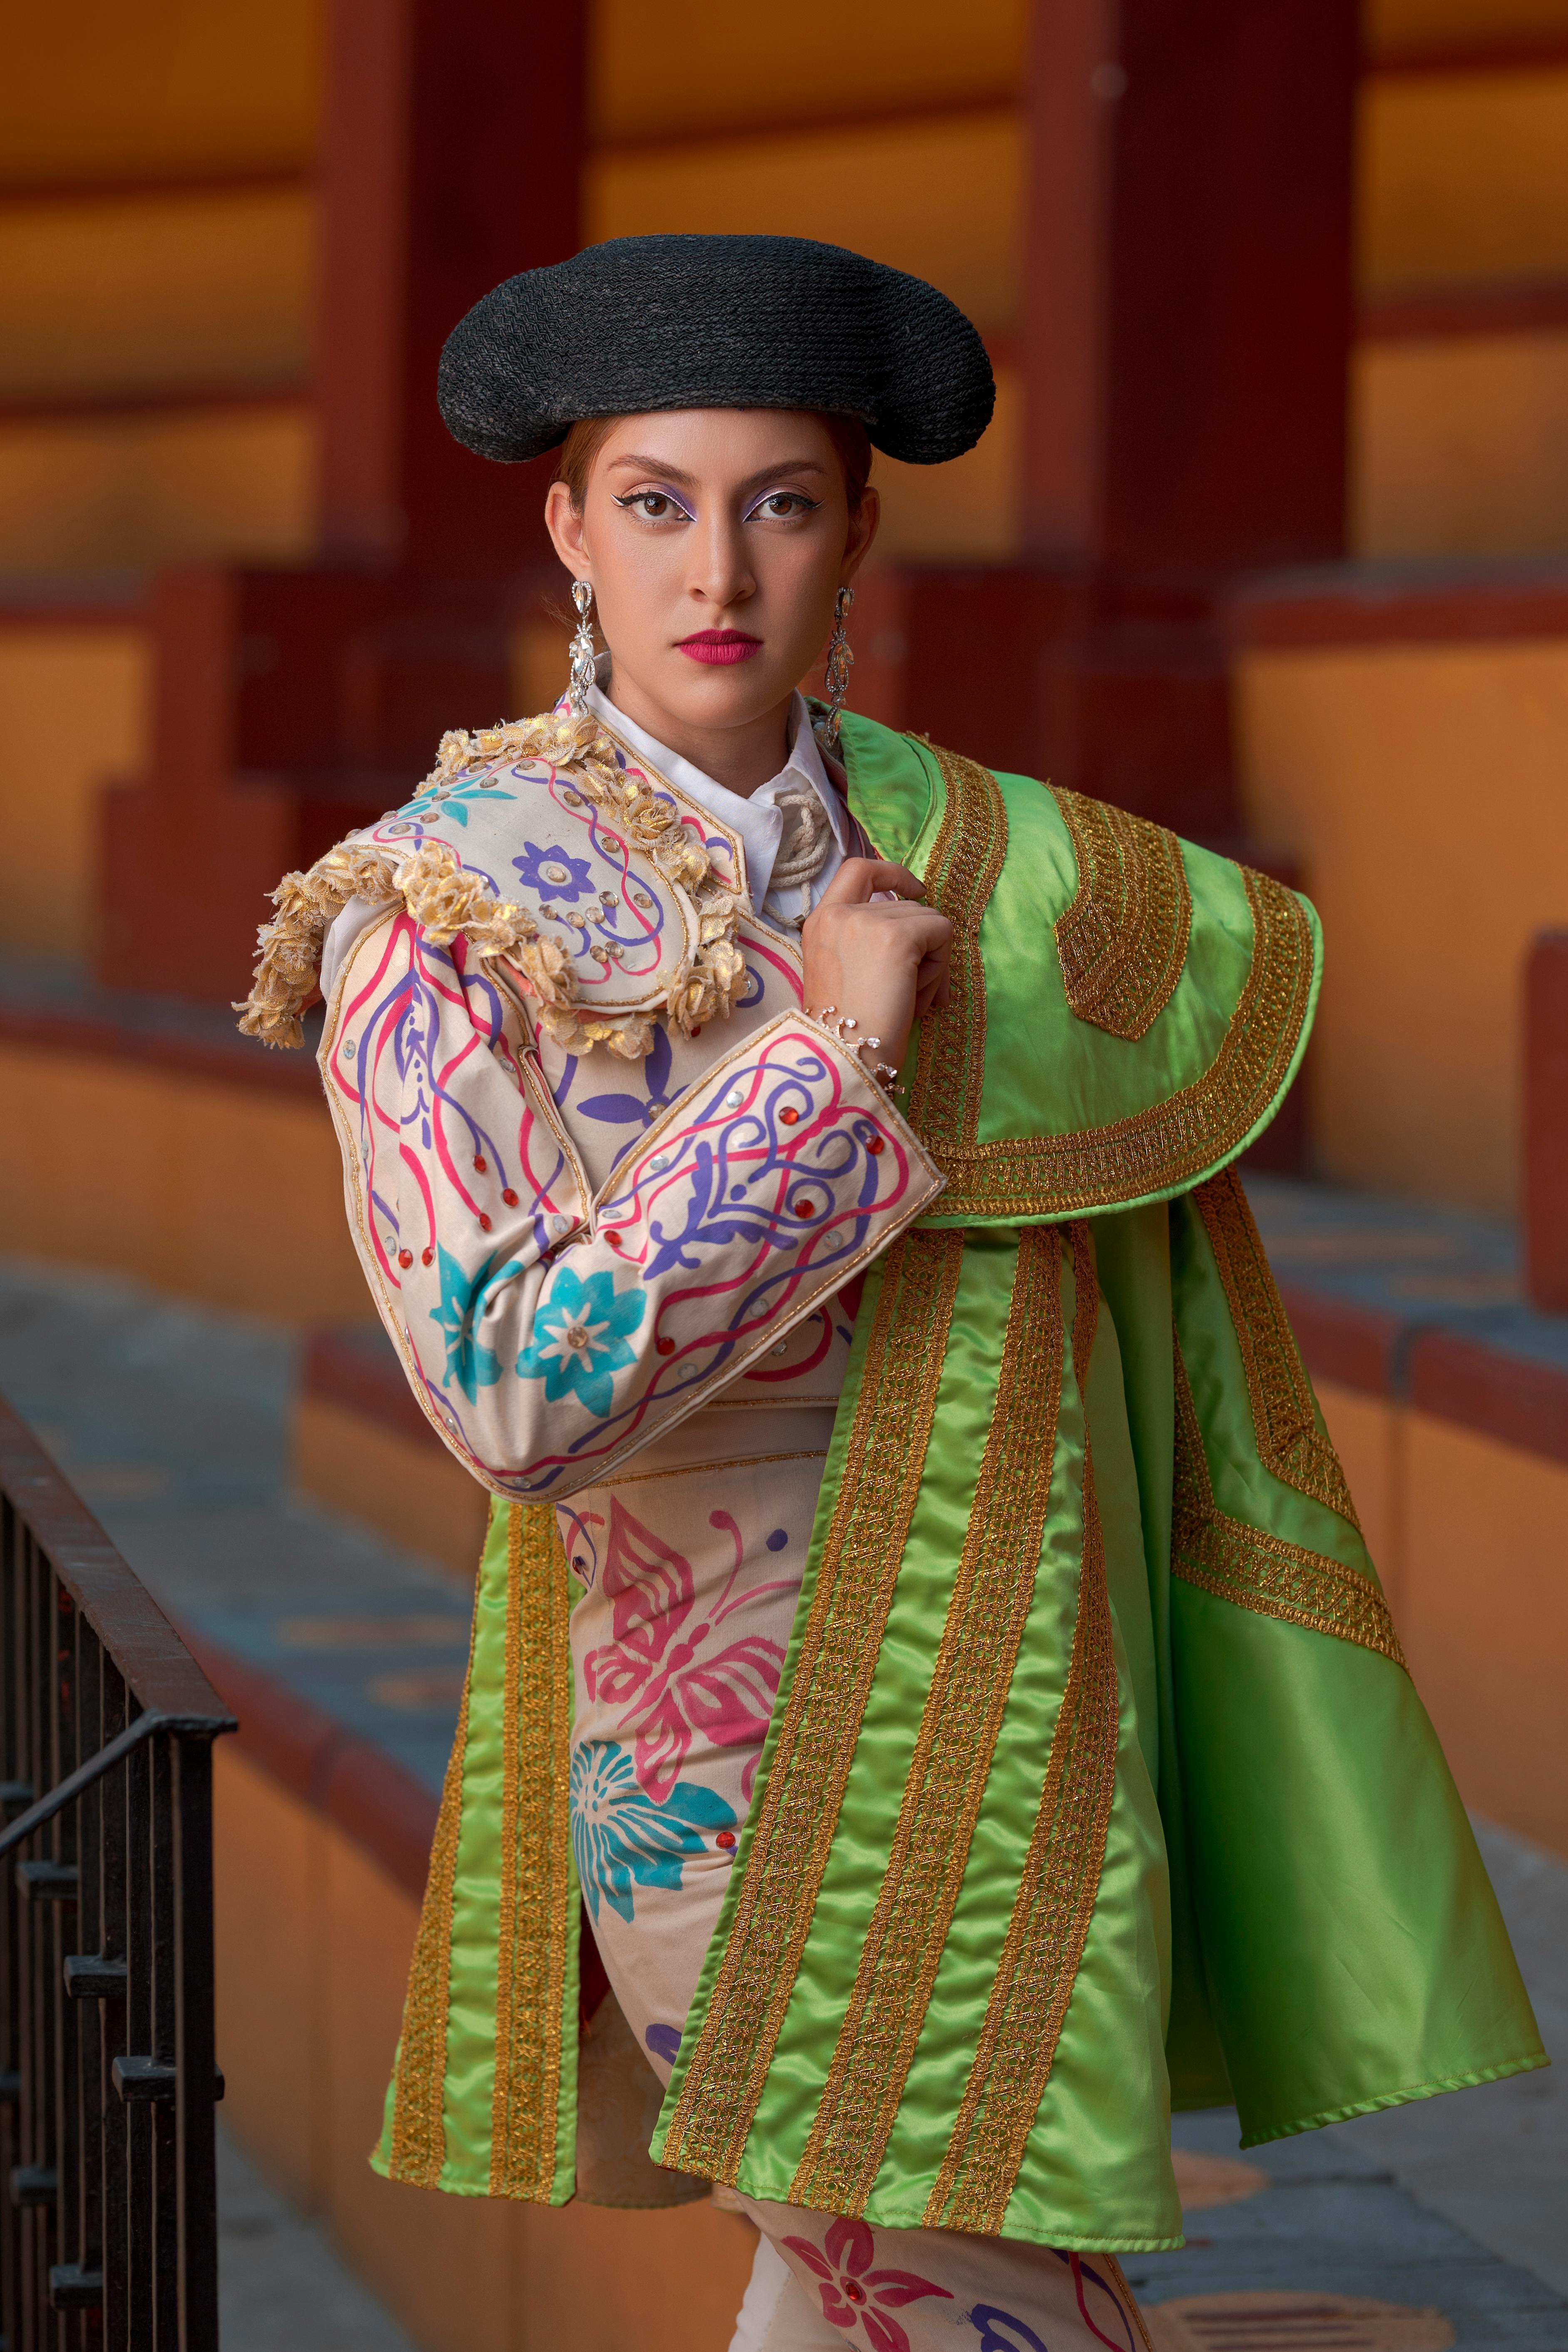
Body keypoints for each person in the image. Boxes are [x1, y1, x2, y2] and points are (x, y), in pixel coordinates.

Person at [237, 234, 1544, 2352]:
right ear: (568, 529)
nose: (718, 571)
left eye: (783, 502)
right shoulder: (441, 902)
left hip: (1024, 1683)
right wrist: (824, 1064)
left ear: (861, 529)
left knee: (888, 2291)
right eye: (655, 502)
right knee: (935, 2277)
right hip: (720, 1736)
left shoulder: (1003, 863)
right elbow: (503, 1393)